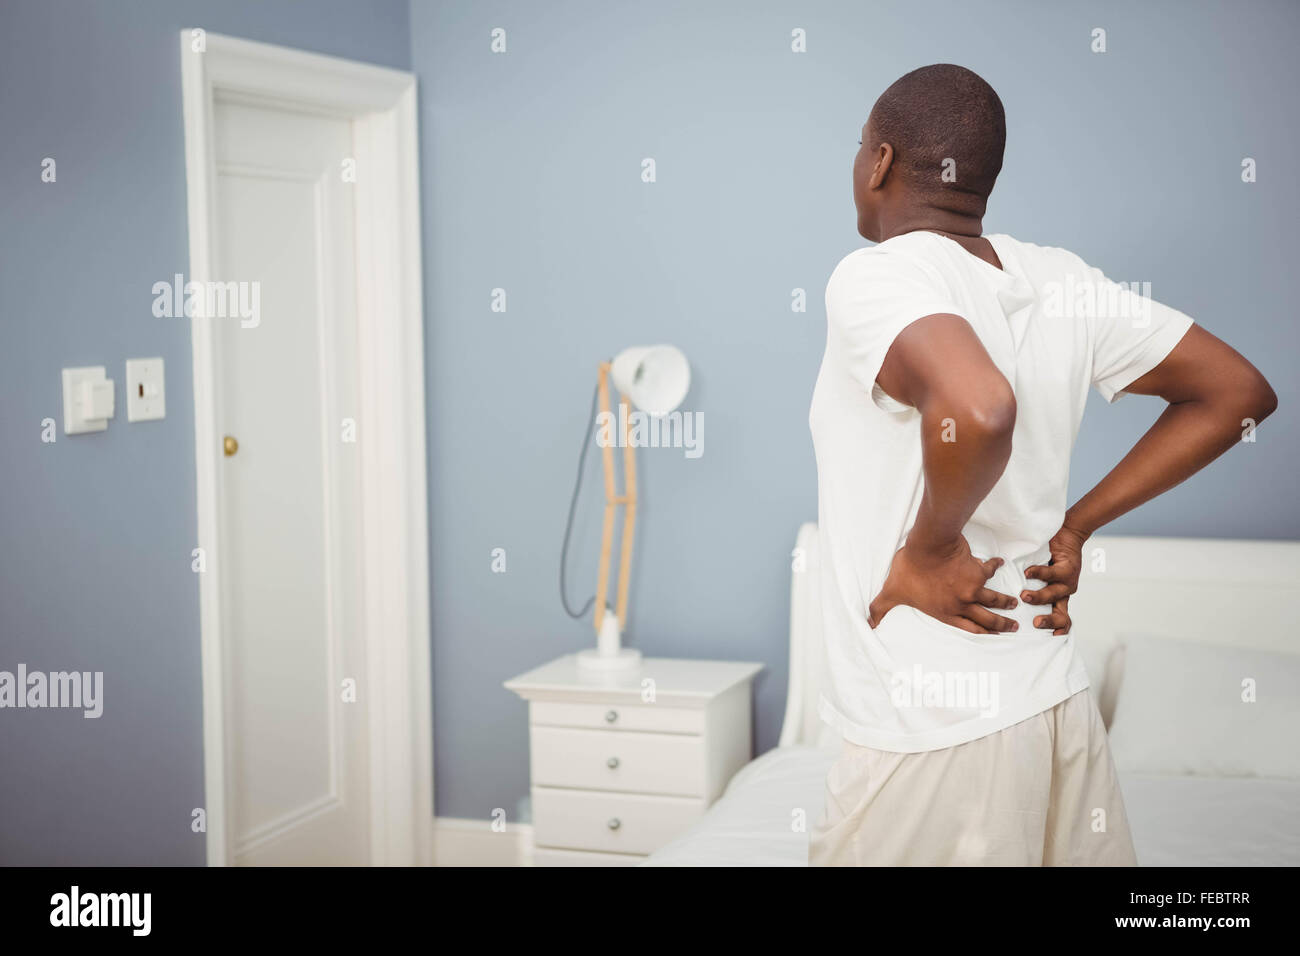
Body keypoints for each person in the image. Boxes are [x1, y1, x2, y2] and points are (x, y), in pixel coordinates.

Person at [807, 63, 1277, 866]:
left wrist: (927, 553)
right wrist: (1075, 525)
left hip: (929, 726)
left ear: (879, 161)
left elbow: (979, 408)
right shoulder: (1063, 282)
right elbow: (1237, 391)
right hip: (1054, 708)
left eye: (859, 147)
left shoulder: (878, 275)